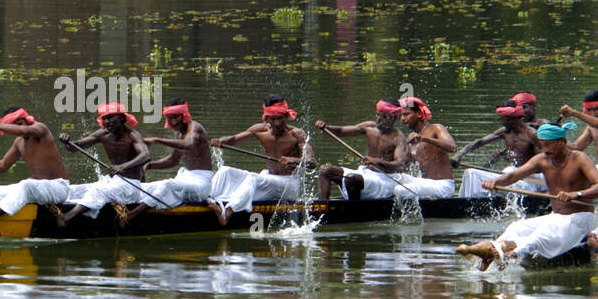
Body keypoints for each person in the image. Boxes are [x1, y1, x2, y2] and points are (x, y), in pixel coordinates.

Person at [456, 122, 598, 269]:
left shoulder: (580, 158)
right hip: (556, 217)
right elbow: (513, 176)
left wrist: (576, 194)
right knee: (517, 227)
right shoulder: (542, 159)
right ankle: (491, 251)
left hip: (580, 218)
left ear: (562, 141)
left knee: (537, 238)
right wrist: (495, 182)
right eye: (542, 145)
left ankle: (507, 256)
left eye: (549, 145)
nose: (545, 150)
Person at [207, 96, 314, 225]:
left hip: (289, 185)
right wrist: (221, 141)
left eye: (280, 118)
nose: (277, 123)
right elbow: (234, 139)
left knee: (253, 178)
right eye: (273, 119)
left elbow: (311, 162)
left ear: (285, 116)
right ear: (266, 118)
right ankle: (207, 200)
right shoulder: (261, 129)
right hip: (269, 178)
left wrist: (294, 160)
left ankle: (228, 213)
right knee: (225, 171)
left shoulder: (296, 134)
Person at [0, 107, 71, 234]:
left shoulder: (40, 129)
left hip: (59, 188)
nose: (17, 128)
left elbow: (24, 130)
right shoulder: (19, 142)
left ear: (26, 119)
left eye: (19, 123)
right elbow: (2, 165)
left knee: (26, 185)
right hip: (39, 190)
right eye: (13, 126)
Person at [55, 102, 151, 226]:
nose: (106, 122)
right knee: (74, 190)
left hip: (130, 186)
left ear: (122, 118)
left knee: (100, 191)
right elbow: (74, 147)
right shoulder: (102, 134)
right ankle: (54, 208)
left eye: (110, 117)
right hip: (111, 182)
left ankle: (67, 217)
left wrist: (122, 166)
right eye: (104, 118)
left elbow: (146, 155)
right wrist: (67, 141)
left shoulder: (133, 135)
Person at [128, 99, 213, 220]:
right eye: (170, 118)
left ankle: (131, 215)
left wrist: (156, 140)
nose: (173, 122)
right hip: (187, 179)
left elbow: (188, 144)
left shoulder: (195, 127)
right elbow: (173, 160)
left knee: (168, 185)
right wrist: (149, 165)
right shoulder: (179, 134)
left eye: (176, 117)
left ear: (184, 115)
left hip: (202, 185)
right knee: (144, 187)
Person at [315, 98, 408, 200]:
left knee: (351, 179)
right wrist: (326, 127)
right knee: (325, 171)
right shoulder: (369, 127)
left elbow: (400, 165)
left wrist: (379, 162)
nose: (379, 119)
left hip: (384, 179)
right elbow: (341, 131)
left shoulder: (399, 138)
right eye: (377, 114)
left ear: (394, 118)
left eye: (384, 116)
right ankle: (321, 209)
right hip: (366, 173)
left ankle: (354, 211)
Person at [452, 100, 544, 197]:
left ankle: (474, 202)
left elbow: (547, 159)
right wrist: (459, 154)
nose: (502, 122)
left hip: (532, 181)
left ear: (513, 119)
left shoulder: (532, 134)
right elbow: (479, 142)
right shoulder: (505, 131)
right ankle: (466, 202)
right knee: (470, 173)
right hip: (514, 174)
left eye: (504, 119)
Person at [388, 96, 457, 198]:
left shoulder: (436, 128)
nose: (402, 118)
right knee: (392, 178)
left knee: (400, 189)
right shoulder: (411, 138)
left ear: (419, 114)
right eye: (401, 115)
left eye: (406, 114)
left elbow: (452, 147)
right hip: (424, 183)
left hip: (443, 186)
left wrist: (424, 139)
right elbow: (403, 165)